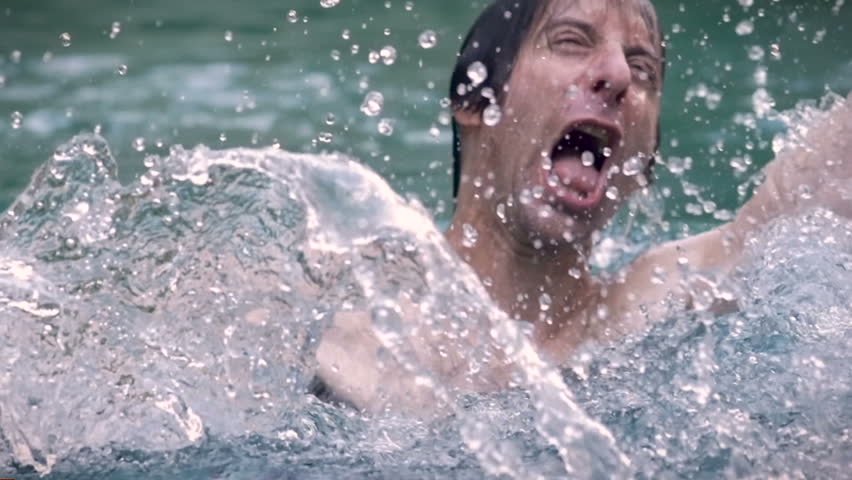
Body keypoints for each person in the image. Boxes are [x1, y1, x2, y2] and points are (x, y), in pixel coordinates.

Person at [313, 0, 852, 413]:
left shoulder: (658, 311)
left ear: (641, 168)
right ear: (478, 102)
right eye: (571, 41)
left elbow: (803, 206)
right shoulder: (335, 319)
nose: (617, 76)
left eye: (643, 71)